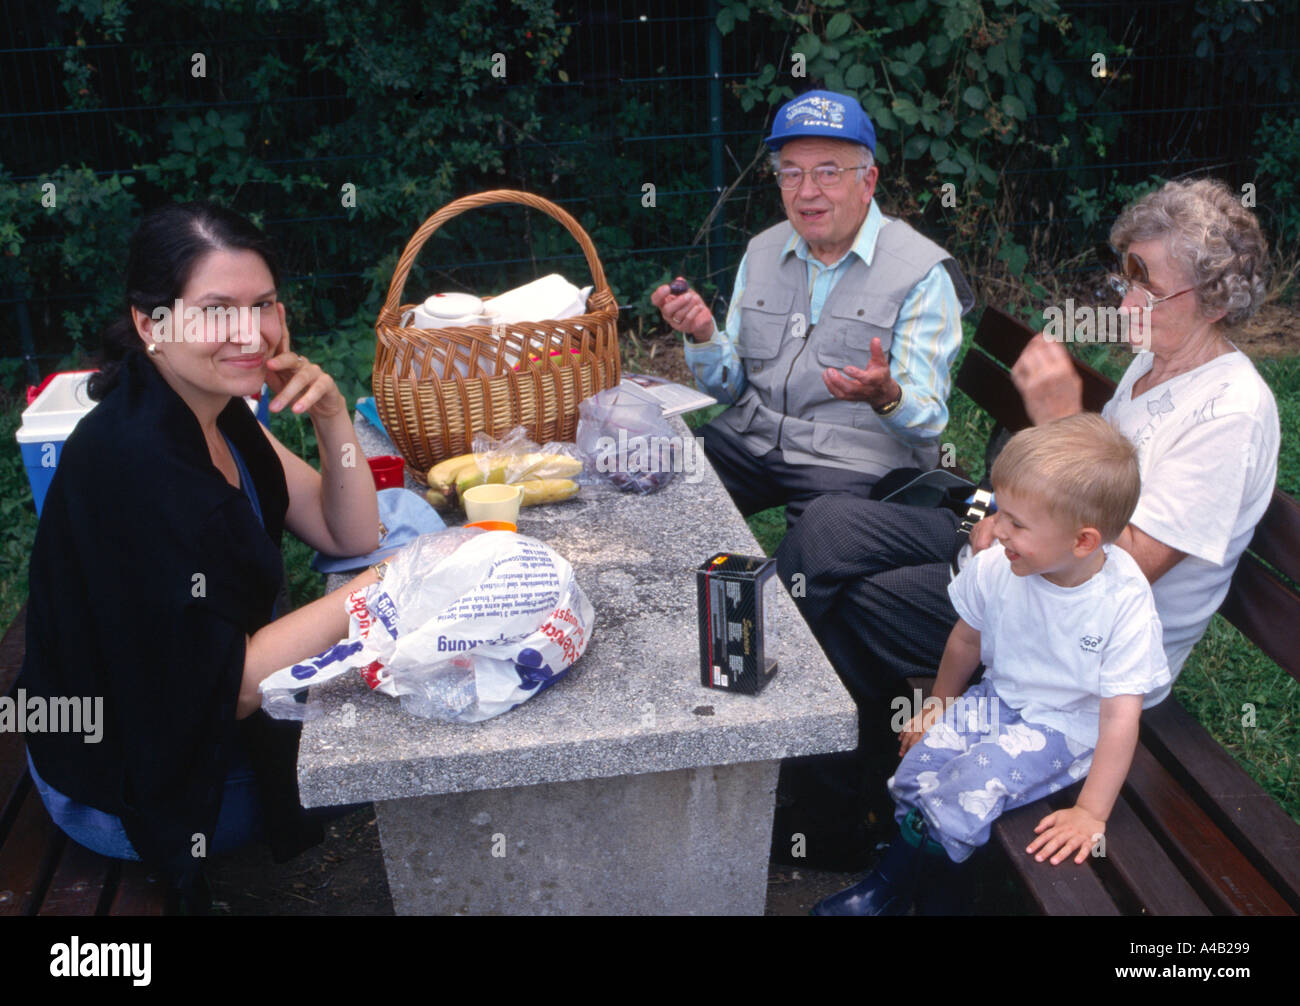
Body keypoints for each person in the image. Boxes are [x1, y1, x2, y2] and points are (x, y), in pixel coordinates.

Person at [777, 177, 1279, 707]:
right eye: (1126, 278)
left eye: (1149, 289)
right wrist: (1000, 517)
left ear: (1214, 303)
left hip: (1077, 640)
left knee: (861, 604)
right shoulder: (1155, 364)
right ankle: (750, 689)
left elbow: (1125, 564)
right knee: (828, 524)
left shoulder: (1230, 414)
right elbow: (1084, 484)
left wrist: (1059, 425)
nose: (1127, 302)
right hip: (1025, 557)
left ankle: (811, 766)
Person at [19, 202, 383, 907]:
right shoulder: (138, 467)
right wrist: (386, 586)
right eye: (217, 311)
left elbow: (350, 534)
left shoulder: (215, 411)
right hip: (121, 790)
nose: (250, 333)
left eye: (265, 304)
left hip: (157, 729)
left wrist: (334, 414)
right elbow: (234, 684)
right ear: (152, 324)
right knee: (399, 732)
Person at [812, 414, 1171, 915]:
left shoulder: (1122, 604)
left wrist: (1090, 812)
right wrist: (940, 703)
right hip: (1000, 698)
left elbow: (1119, 718)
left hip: (1067, 725)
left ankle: (895, 890)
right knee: (918, 769)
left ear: (1083, 541)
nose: (995, 530)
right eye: (1001, 512)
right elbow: (966, 638)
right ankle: (927, 888)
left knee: (967, 789)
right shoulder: (1002, 564)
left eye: (1017, 523)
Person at [650, 90, 974, 527]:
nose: (806, 192)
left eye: (827, 173)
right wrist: (705, 336)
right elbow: (729, 391)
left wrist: (887, 396)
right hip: (752, 436)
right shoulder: (762, 251)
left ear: (868, 182)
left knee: (812, 562)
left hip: (852, 458)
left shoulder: (921, 272)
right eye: (791, 173)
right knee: (655, 483)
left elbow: (928, 423)